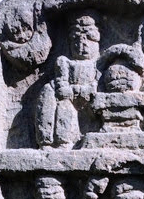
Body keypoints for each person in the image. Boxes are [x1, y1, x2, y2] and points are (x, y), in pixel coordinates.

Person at [35, 12, 100, 148]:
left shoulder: (99, 63)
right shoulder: (64, 61)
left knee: (65, 103)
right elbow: (62, 85)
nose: (82, 46)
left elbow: (97, 85)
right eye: (76, 41)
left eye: (88, 40)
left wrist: (78, 90)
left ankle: (64, 141)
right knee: (49, 92)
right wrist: (67, 90)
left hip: (89, 100)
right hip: (67, 97)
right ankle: (47, 140)